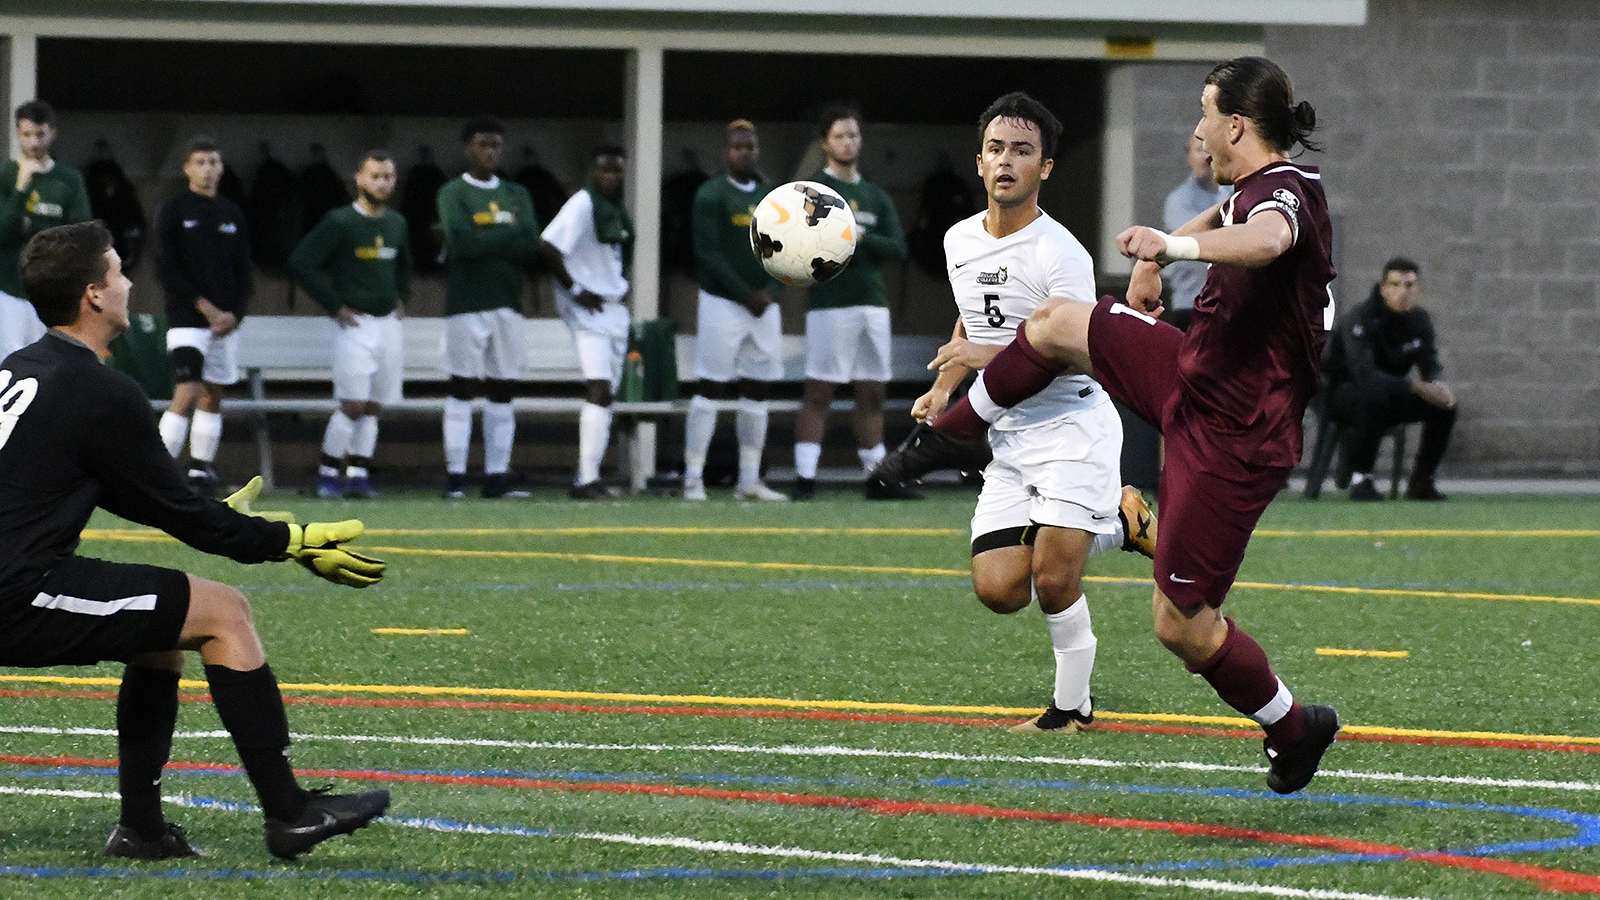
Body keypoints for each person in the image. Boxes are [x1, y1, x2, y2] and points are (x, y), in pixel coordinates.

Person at [926, 58, 1341, 794]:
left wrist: (1170, 249)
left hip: (1235, 437)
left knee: (1181, 625)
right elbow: (1235, 214)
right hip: (1192, 372)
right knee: (1056, 324)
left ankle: (1290, 725)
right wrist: (1164, 251)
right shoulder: (1260, 186)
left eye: (1205, 114)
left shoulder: (1281, 198)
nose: (1198, 130)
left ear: (1236, 126)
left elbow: (1268, 238)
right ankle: (957, 426)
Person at [1, 221, 388, 860]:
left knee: (164, 629)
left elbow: (136, 495)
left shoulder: (22, 369)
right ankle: (290, 813)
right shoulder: (101, 388)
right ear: (94, 295)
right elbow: (184, 516)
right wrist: (291, 539)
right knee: (224, 611)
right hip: (16, 596)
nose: (129, 283)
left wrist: (204, 512)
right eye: (118, 271)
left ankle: (143, 830)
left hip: (20, 581)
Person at [878, 93, 1157, 733]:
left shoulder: (1061, 253)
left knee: (1056, 581)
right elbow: (973, 316)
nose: (1008, 162)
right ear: (979, 162)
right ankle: (1117, 517)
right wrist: (948, 383)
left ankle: (1071, 708)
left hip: (1073, 427)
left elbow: (1087, 350)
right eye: (997, 149)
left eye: (1023, 151)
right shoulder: (957, 240)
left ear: (1045, 169)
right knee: (1000, 589)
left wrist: (985, 355)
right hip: (1009, 435)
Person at [436, 116, 571, 499]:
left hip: (508, 304)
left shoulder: (517, 193)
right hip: (466, 304)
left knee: (503, 388)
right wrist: (504, 235)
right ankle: (456, 479)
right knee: (461, 387)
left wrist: (489, 236)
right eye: (482, 144)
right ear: (467, 148)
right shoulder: (452, 193)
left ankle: (496, 477)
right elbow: (461, 243)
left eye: (496, 145)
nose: (490, 152)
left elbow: (529, 242)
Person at [789, 105, 912, 501]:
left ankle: (877, 478)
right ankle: (804, 478)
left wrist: (860, 237)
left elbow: (897, 248)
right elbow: (795, 245)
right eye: (840, 135)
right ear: (825, 142)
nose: (848, 142)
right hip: (830, 304)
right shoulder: (812, 192)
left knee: (872, 393)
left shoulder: (873, 194)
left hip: (872, 304)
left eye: (854, 135)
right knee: (820, 391)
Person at [290, 150, 414, 500]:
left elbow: (405, 266)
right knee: (353, 403)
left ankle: (359, 474)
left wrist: (400, 295)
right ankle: (328, 473)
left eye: (388, 176)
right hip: (355, 324)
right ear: (359, 179)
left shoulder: (397, 223)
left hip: (388, 323)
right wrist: (334, 304)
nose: (382, 183)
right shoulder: (340, 221)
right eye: (375, 176)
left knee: (375, 404)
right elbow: (302, 262)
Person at [682, 119, 787, 502]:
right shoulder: (711, 193)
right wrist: (746, 293)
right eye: (739, 147)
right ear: (726, 152)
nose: (746, 153)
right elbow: (707, 253)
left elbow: (785, 246)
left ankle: (749, 480)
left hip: (764, 304)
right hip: (722, 303)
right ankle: (693, 478)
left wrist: (772, 288)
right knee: (710, 387)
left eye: (752, 147)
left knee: (757, 392)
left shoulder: (770, 195)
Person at [155, 137, 253, 495]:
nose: (208, 169)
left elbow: (244, 271)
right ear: (187, 168)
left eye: (213, 162)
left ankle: (199, 469)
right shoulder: (174, 210)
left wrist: (234, 314)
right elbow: (166, 267)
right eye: (200, 162)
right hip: (187, 319)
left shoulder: (232, 214)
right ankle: (160, 470)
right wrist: (204, 307)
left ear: (222, 167)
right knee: (188, 388)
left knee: (213, 394)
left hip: (224, 324)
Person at [542, 145, 634, 500]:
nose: (610, 176)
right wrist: (575, 289)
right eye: (603, 169)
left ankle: (590, 475)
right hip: (588, 309)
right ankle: (586, 479)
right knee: (597, 387)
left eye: (616, 170)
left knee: (607, 393)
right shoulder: (582, 203)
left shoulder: (616, 209)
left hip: (613, 308)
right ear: (590, 171)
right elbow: (548, 246)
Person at [1323, 257, 1456, 501]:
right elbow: (1363, 374)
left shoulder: (1420, 321)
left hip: (1393, 392)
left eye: (1409, 286)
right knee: (1373, 399)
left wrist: (1439, 385)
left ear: (1418, 290)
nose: (1402, 292)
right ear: (1383, 288)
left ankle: (1422, 482)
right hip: (1342, 394)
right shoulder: (1360, 318)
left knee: (1444, 408)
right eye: (1394, 285)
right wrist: (1416, 386)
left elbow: (1429, 362)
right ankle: (1361, 479)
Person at [0, 100, 90, 359]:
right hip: (10, 290)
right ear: (18, 134)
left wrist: (34, 226)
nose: (34, 143)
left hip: (52, 291)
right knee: (11, 359)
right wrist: (20, 189)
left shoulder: (68, 179)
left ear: (52, 133)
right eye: (27, 135)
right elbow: (2, 232)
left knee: (51, 361)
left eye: (40, 134)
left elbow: (80, 233)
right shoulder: (7, 175)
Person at [1161, 134, 1232, 331]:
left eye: (1208, 150)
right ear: (1188, 156)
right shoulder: (1180, 200)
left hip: (1229, 306)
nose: (1204, 158)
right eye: (1198, 151)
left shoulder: (1232, 192)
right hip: (1191, 304)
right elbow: (1197, 240)